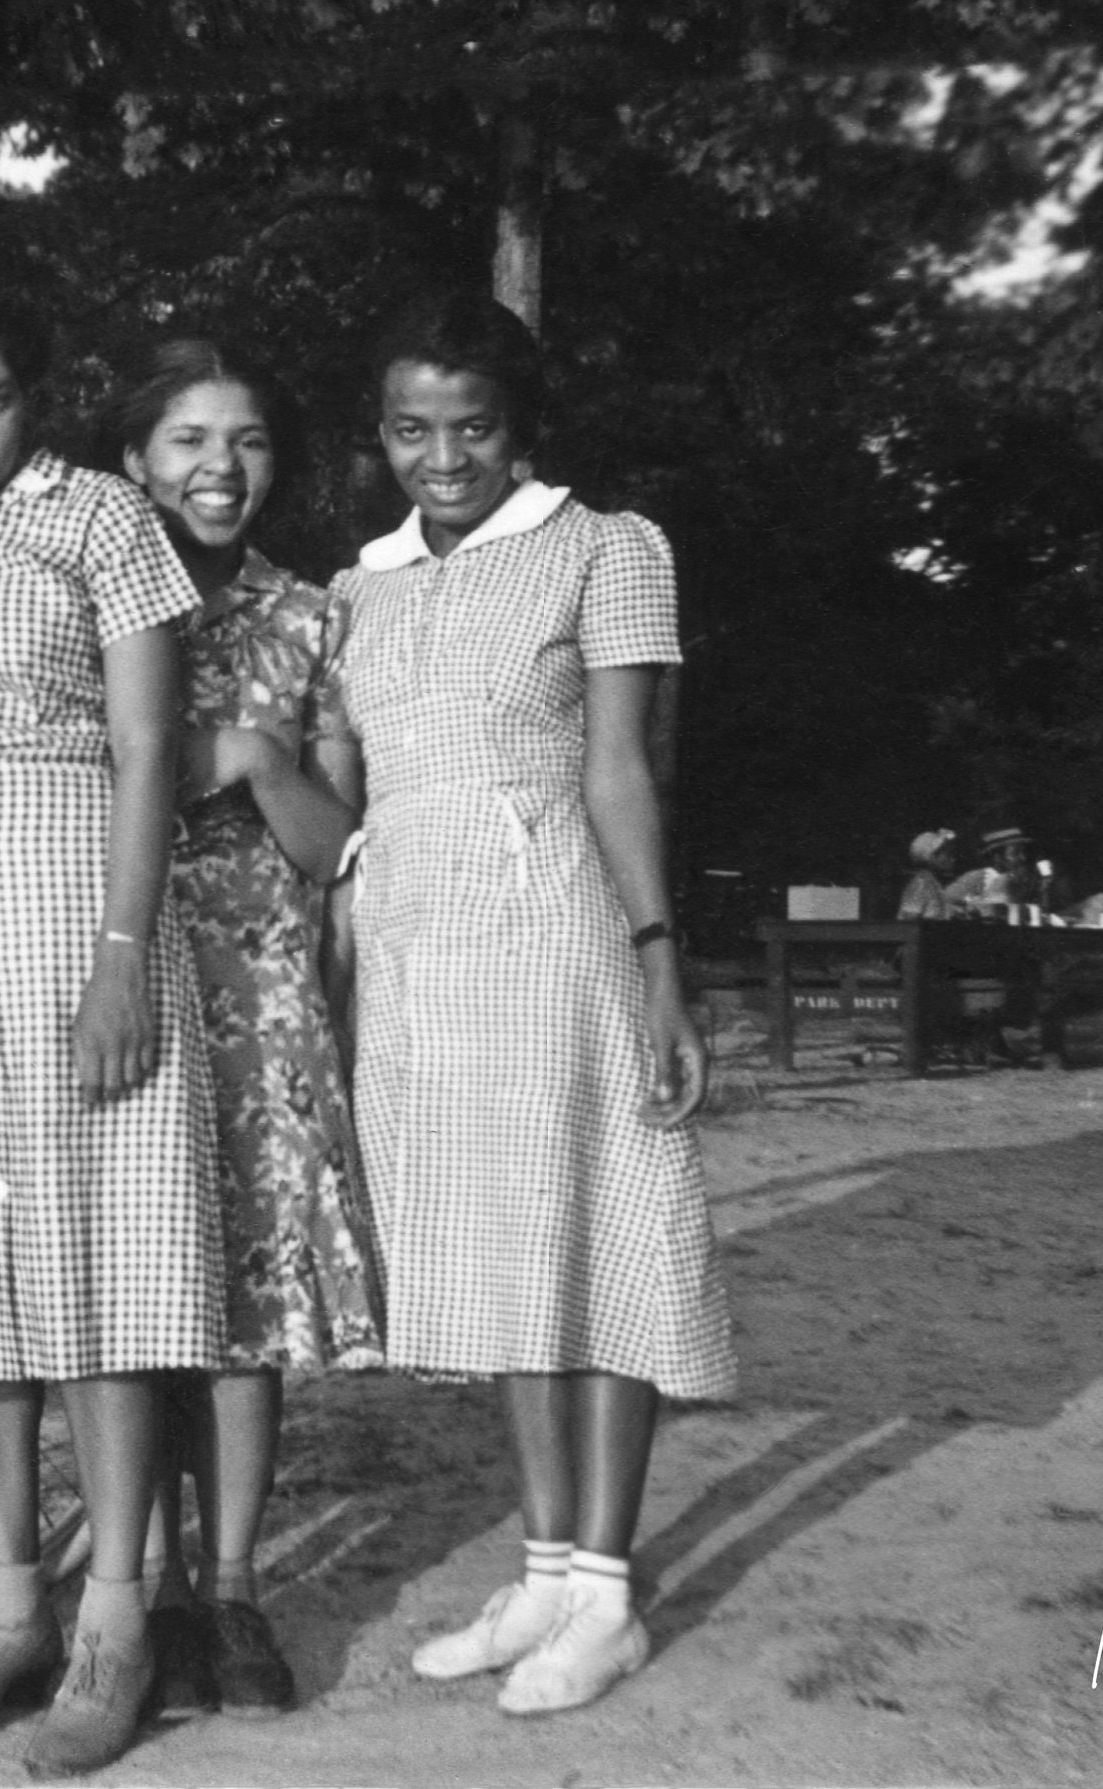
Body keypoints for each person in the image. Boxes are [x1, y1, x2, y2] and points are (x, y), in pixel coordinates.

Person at [332, 289, 735, 1717]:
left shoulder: (605, 550)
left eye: (474, 426)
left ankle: (608, 1596)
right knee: (507, 1257)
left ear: (520, 427)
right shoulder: (360, 587)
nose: (442, 456)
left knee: (602, 1233)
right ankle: (548, 1570)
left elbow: (623, 768)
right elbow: (342, 799)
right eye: (410, 428)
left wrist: (659, 957)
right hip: (419, 954)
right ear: (381, 435)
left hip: (558, 932)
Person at [0, 269, 224, 1776]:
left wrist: (125, 953)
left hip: (82, 895)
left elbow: (152, 750)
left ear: (39, 390)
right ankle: (11, 1613)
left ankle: (119, 1621)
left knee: (108, 1273)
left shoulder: (102, 521)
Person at [103, 337, 382, 1720]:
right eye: (188, 441)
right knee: (131, 1295)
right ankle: (136, 1589)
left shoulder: (311, 614)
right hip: (116, 973)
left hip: (257, 989)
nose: (221, 468)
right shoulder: (77, 596)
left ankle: (231, 1588)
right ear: (133, 462)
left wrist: (260, 757)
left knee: (244, 1307)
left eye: (250, 441)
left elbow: (338, 847)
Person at [944, 825, 1034, 918]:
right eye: (1015, 853)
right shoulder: (977, 877)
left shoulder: (1020, 881)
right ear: (997, 857)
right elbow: (945, 900)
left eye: (1022, 852)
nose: (1023, 857)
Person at [896, 829, 958, 921]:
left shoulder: (933, 883)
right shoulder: (920, 884)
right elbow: (907, 924)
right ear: (931, 857)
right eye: (948, 854)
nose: (953, 858)